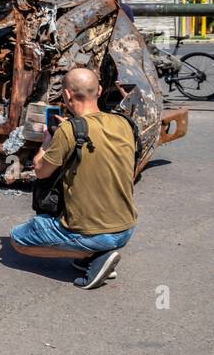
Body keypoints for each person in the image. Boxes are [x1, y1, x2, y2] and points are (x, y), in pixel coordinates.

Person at [9, 67, 137, 289]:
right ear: (98, 90)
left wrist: (48, 141)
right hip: (126, 228)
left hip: (96, 235)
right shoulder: (124, 123)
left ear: (67, 95)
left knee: (17, 239)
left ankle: (95, 255)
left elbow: (41, 171)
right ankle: (90, 253)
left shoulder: (68, 130)